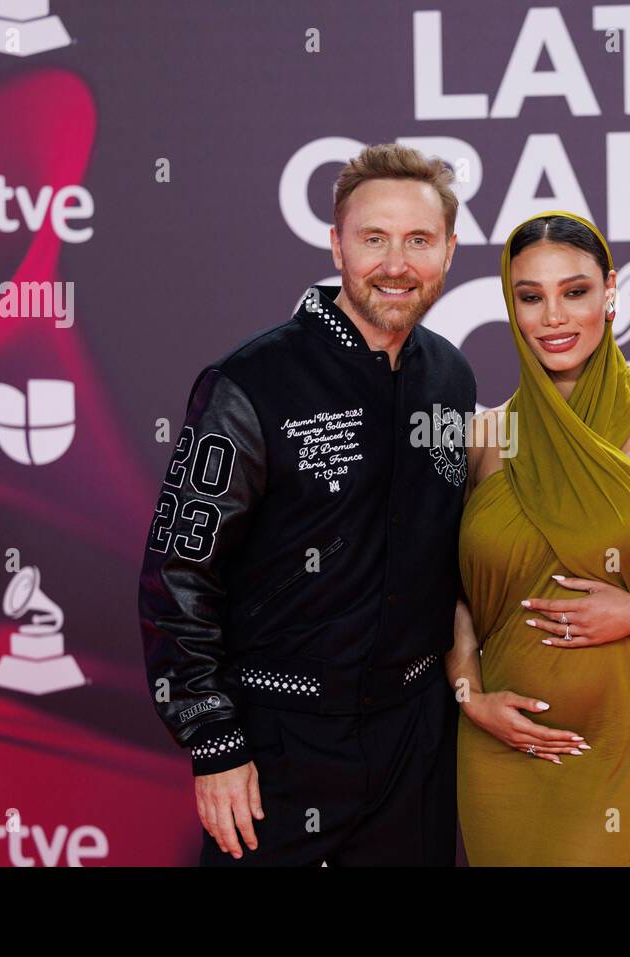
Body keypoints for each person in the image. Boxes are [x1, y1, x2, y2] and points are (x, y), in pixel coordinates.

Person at [138, 143, 475, 866]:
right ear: (336, 244)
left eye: (418, 240)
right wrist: (214, 741)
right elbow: (178, 572)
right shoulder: (251, 380)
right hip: (277, 742)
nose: (395, 262)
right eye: (373, 238)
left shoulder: (451, 376)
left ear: (450, 249)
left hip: (415, 741)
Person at [448, 210, 630, 866]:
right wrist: (472, 696)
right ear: (511, 305)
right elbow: (447, 593)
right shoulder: (483, 436)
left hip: (625, 741)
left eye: (574, 291)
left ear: (610, 292)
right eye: (531, 297)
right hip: (502, 740)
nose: (553, 316)